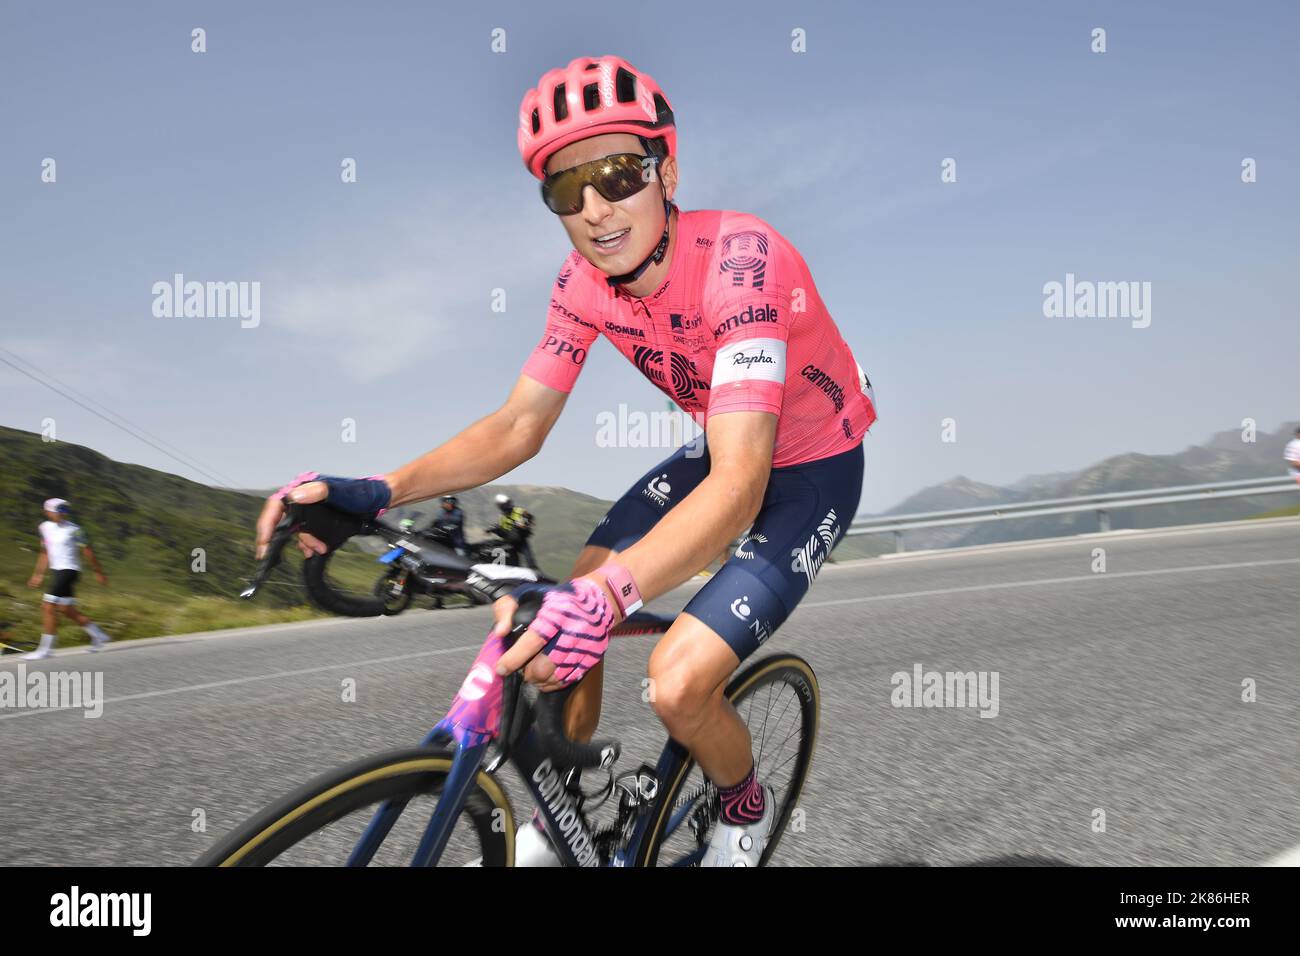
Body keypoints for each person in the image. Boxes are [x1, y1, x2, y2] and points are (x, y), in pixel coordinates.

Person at [255, 56, 876, 867]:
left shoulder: (744, 261)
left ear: (669, 170)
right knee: (562, 604)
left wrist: (611, 595)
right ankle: (563, 817)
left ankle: (743, 802)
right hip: (722, 448)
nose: (594, 210)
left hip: (810, 468)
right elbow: (518, 425)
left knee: (679, 681)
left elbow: (740, 483)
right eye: (563, 189)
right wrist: (378, 490)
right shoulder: (582, 283)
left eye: (618, 174)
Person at [24, 498, 111, 660]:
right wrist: (38, 574)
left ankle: (45, 650)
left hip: (70, 570)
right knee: (66, 610)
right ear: (48, 512)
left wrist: (98, 572)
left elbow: (88, 551)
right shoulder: (44, 527)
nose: (63, 514)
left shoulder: (75, 530)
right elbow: (44, 552)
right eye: (59, 510)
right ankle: (99, 635)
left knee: (47, 606)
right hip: (57, 571)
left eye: (65, 510)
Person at [486, 493, 537, 568]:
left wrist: (524, 524)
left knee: (530, 561)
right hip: (511, 543)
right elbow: (504, 532)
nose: (507, 505)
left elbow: (530, 518)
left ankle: (537, 574)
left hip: (521, 540)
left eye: (507, 503)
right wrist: (495, 530)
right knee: (514, 563)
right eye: (504, 504)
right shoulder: (502, 517)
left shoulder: (519, 511)